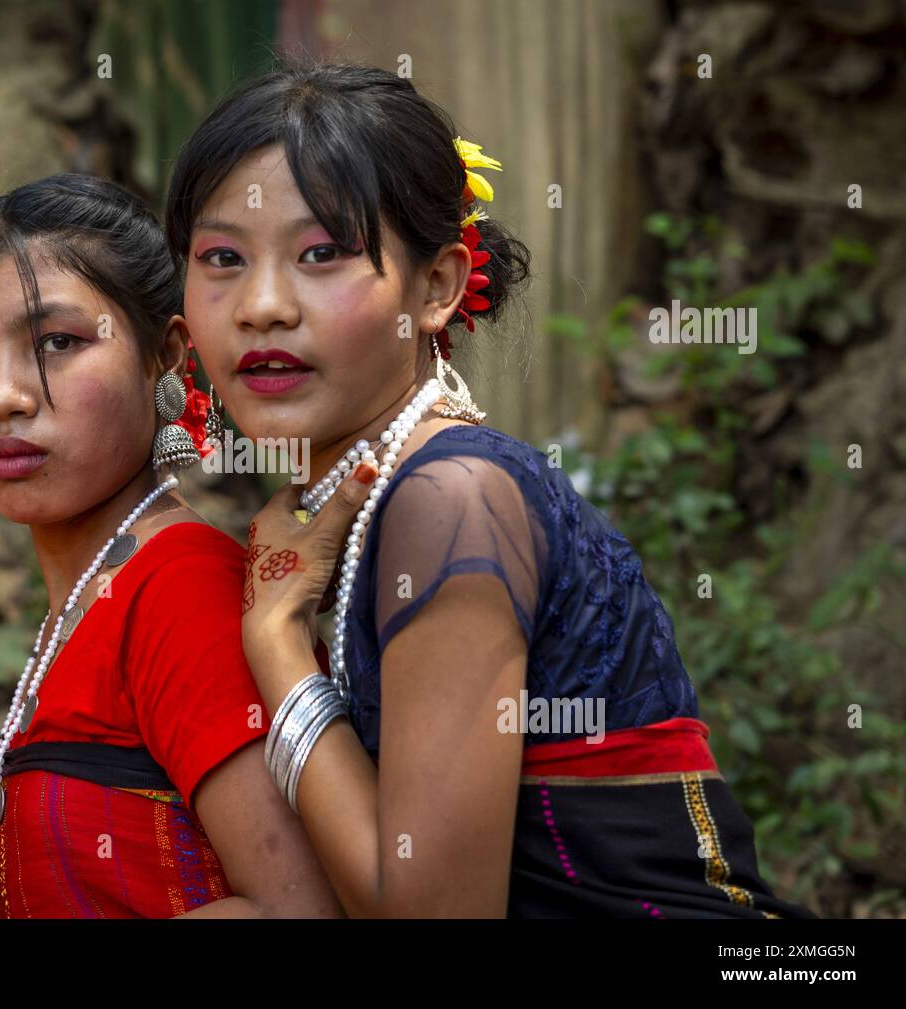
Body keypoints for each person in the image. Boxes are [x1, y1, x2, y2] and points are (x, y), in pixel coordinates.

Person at [168, 62, 814, 918]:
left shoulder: (453, 497)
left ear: (435, 286)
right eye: (222, 258)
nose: (261, 305)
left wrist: (277, 638)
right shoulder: (382, 502)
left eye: (321, 253)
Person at [0, 173, 340, 918]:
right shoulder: (90, 595)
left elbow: (299, 912)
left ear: (166, 355)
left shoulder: (183, 587)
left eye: (57, 342)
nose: (3, 396)